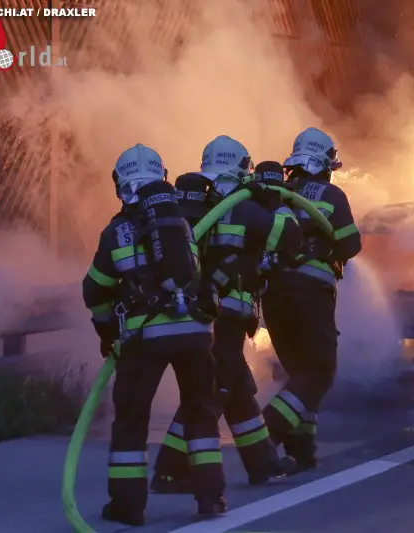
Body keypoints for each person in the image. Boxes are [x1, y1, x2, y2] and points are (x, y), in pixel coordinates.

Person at [81, 143, 226, 525]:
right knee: (201, 413)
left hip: (144, 338)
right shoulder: (181, 224)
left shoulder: (117, 231)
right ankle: (211, 497)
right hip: (195, 333)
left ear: (120, 184)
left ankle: (128, 507)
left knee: (132, 422)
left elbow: (94, 290)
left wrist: (107, 331)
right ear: (163, 178)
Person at [151, 136, 302, 494]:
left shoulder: (196, 204)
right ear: (242, 168)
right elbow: (290, 237)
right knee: (211, 392)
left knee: (236, 389)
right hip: (229, 314)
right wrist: (274, 199)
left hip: (203, 312)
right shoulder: (246, 208)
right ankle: (169, 469)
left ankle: (263, 463)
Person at [260, 127, 361, 473]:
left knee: (300, 375)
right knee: (319, 370)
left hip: (273, 297)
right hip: (310, 294)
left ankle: (302, 452)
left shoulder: (276, 195)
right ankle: (265, 437)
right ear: (324, 164)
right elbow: (351, 245)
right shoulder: (331, 195)